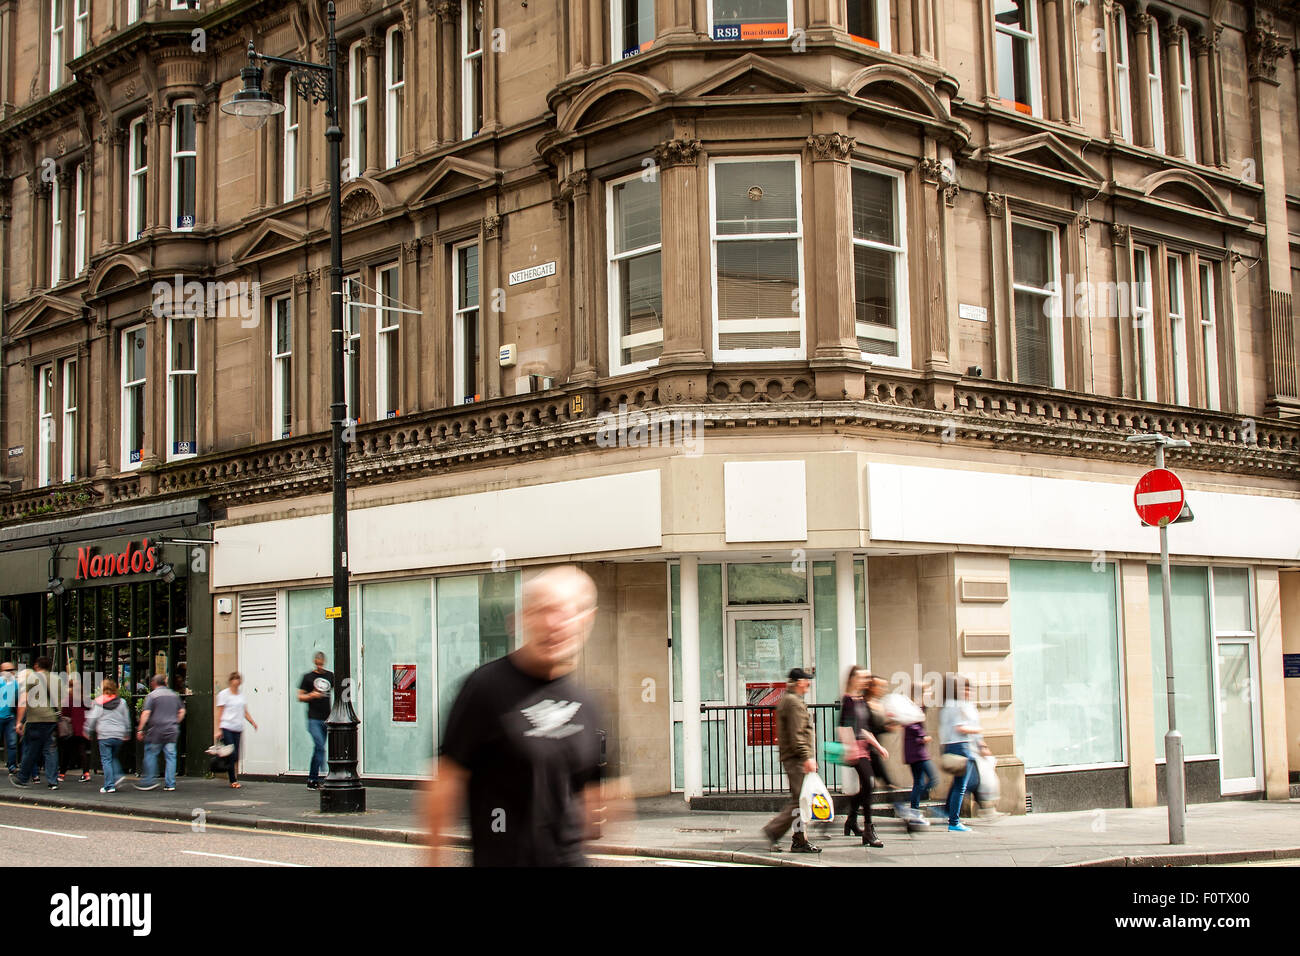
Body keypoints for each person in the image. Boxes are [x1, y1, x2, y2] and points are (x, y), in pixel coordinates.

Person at [421, 566, 611, 867]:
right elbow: (444, 783)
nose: (553, 623)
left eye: (564, 612)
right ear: (522, 618)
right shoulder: (485, 689)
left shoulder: (587, 703)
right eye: (543, 611)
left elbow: (595, 798)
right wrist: (433, 861)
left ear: (586, 619)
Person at [760, 667, 820, 854]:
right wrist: (806, 757)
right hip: (796, 759)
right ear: (799, 682)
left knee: (800, 800)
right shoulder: (793, 702)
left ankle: (799, 840)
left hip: (795, 757)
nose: (809, 684)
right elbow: (797, 735)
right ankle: (774, 830)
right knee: (799, 801)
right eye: (806, 680)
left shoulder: (792, 700)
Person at [838, 665, 887, 848]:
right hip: (855, 748)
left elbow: (864, 729)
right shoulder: (848, 700)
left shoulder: (861, 700)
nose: (866, 680)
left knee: (867, 785)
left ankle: (851, 819)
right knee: (869, 783)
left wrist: (878, 746)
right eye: (862, 677)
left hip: (864, 748)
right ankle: (868, 829)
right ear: (853, 679)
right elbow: (844, 726)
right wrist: (850, 748)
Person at [939, 673, 988, 832]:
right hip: (961, 746)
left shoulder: (947, 705)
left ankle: (950, 814)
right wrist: (978, 730)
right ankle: (954, 821)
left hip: (953, 746)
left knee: (962, 784)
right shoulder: (956, 706)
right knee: (961, 786)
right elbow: (960, 727)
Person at [12, 657, 60, 790]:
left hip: (36, 719)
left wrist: (19, 722)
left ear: (37, 665)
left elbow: (23, 701)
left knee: (32, 749)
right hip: (52, 719)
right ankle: (53, 781)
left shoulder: (32, 678)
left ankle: (22, 778)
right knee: (50, 750)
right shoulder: (58, 679)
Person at [135, 675, 186, 792]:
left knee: (151, 755)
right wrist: (175, 721)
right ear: (165, 683)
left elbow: (146, 713)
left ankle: (149, 781)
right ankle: (170, 784)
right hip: (171, 730)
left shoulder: (152, 696)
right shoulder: (174, 695)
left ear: (154, 683)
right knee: (171, 757)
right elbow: (182, 711)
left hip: (156, 731)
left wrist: (140, 729)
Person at [86, 679, 132, 793]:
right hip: (118, 735)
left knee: (106, 760)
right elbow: (126, 719)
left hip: (104, 735)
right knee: (113, 757)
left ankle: (109, 785)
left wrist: (88, 730)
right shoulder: (122, 702)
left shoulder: (98, 702)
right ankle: (118, 775)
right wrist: (128, 732)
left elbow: (92, 719)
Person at [296, 652, 333, 790]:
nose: (319, 665)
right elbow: (299, 697)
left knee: (318, 749)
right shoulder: (308, 677)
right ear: (314, 662)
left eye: (321, 663)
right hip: (313, 718)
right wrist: (312, 695)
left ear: (324, 662)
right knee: (320, 746)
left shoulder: (329, 676)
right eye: (317, 663)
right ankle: (322, 774)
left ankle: (312, 779)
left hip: (327, 718)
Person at [215, 673, 256, 788]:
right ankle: (233, 780)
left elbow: (244, 711)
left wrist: (252, 722)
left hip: (238, 727)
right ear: (230, 681)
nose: (236, 681)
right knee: (231, 753)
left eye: (238, 679)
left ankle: (227, 765)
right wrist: (219, 729)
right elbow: (220, 712)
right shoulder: (224, 694)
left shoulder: (241, 695)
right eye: (234, 679)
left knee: (236, 754)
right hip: (226, 726)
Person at [901, 692, 935, 826]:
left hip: (918, 752)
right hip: (916, 753)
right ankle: (913, 811)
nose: (930, 695)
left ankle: (914, 811)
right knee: (931, 780)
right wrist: (922, 737)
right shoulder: (912, 710)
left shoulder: (918, 709)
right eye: (927, 692)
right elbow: (911, 726)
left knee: (919, 783)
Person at [58, 675, 91, 783]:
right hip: (82, 727)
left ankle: (62, 774)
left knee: (66, 752)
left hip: (71, 727)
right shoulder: (85, 698)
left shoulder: (69, 698)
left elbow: (64, 713)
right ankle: (86, 774)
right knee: (82, 751)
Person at [0, 662, 18, 773]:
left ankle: (12, 766)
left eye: (12, 669)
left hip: (10, 716)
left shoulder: (15, 683)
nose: (10, 671)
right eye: (7, 670)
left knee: (12, 743)